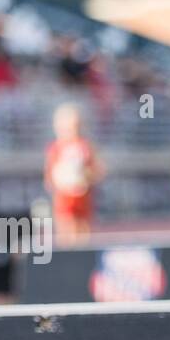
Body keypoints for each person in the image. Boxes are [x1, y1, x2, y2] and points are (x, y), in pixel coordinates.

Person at [44, 103, 104, 244]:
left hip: (83, 197)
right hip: (64, 199)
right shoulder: (56, 148)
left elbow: (97, 171)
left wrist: (85, 176)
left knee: (83, 235)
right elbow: (50, 175)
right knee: (66, 234)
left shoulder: (85, 146)